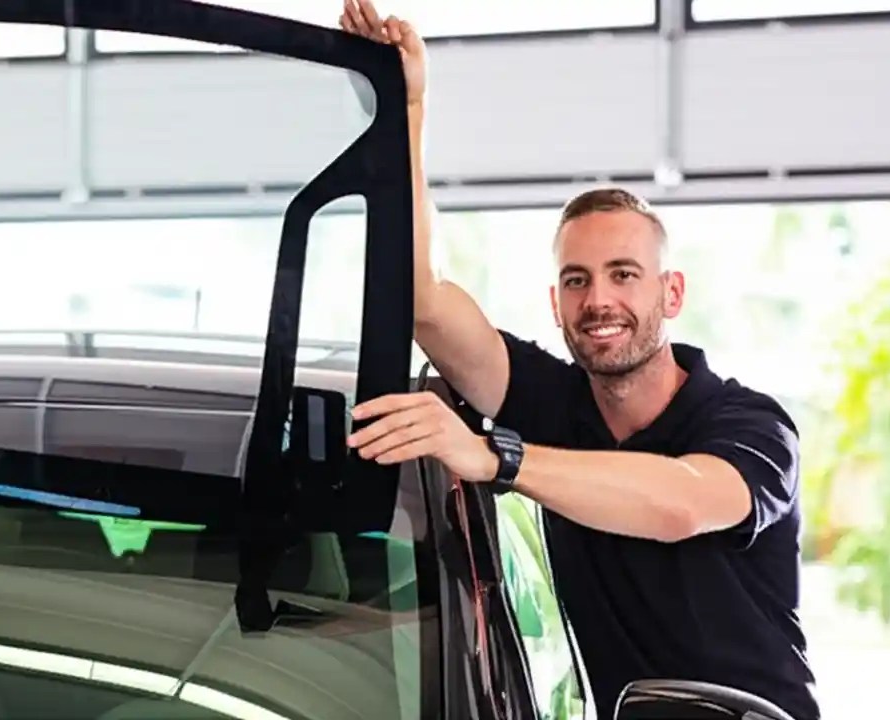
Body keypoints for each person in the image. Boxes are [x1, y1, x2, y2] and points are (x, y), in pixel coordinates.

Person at [336, 2, 820, 719]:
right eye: (577, 280)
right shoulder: (553, 403)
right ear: (557, 302)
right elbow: (422, 299)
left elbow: (678, 503)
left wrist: (495, 458)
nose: (600, 300)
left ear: (671, 291)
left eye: (625, 274)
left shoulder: (751, 425)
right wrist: (406, 107)